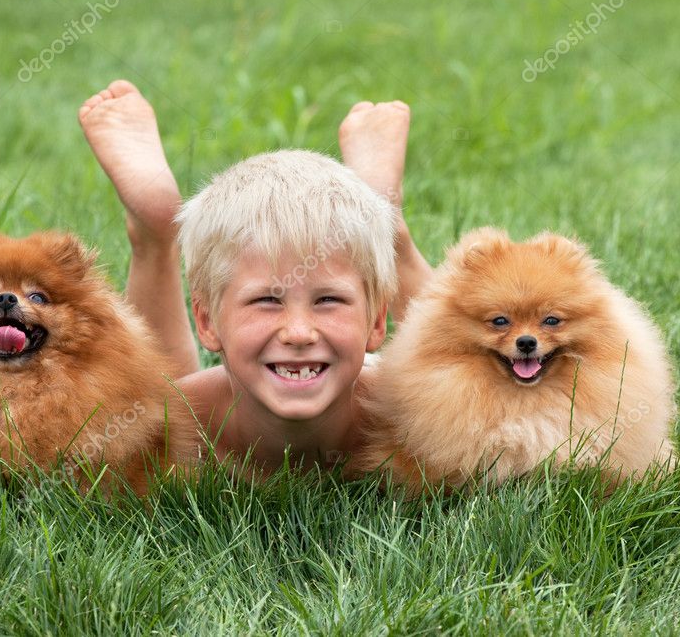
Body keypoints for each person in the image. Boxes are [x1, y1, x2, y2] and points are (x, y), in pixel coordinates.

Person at [78, 80, 433, 472]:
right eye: (267, 300)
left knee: (445, 377)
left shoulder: (409, 415)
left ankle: (390, 226)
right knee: (150, 415)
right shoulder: (184, 420)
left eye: (328, 300)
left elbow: (469, 360)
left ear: (378, 322)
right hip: (185, 417)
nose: (299, 333)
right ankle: (156, 235)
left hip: (404, 394)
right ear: (207, 322)